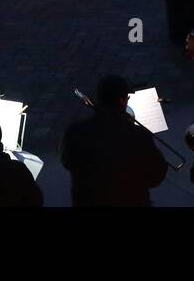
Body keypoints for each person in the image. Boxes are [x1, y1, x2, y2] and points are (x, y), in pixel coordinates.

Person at [60, 75, 167, 206]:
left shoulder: (75, 131)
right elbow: (156, 176)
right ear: (122, 101)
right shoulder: (139, 135)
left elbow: (67, 162)